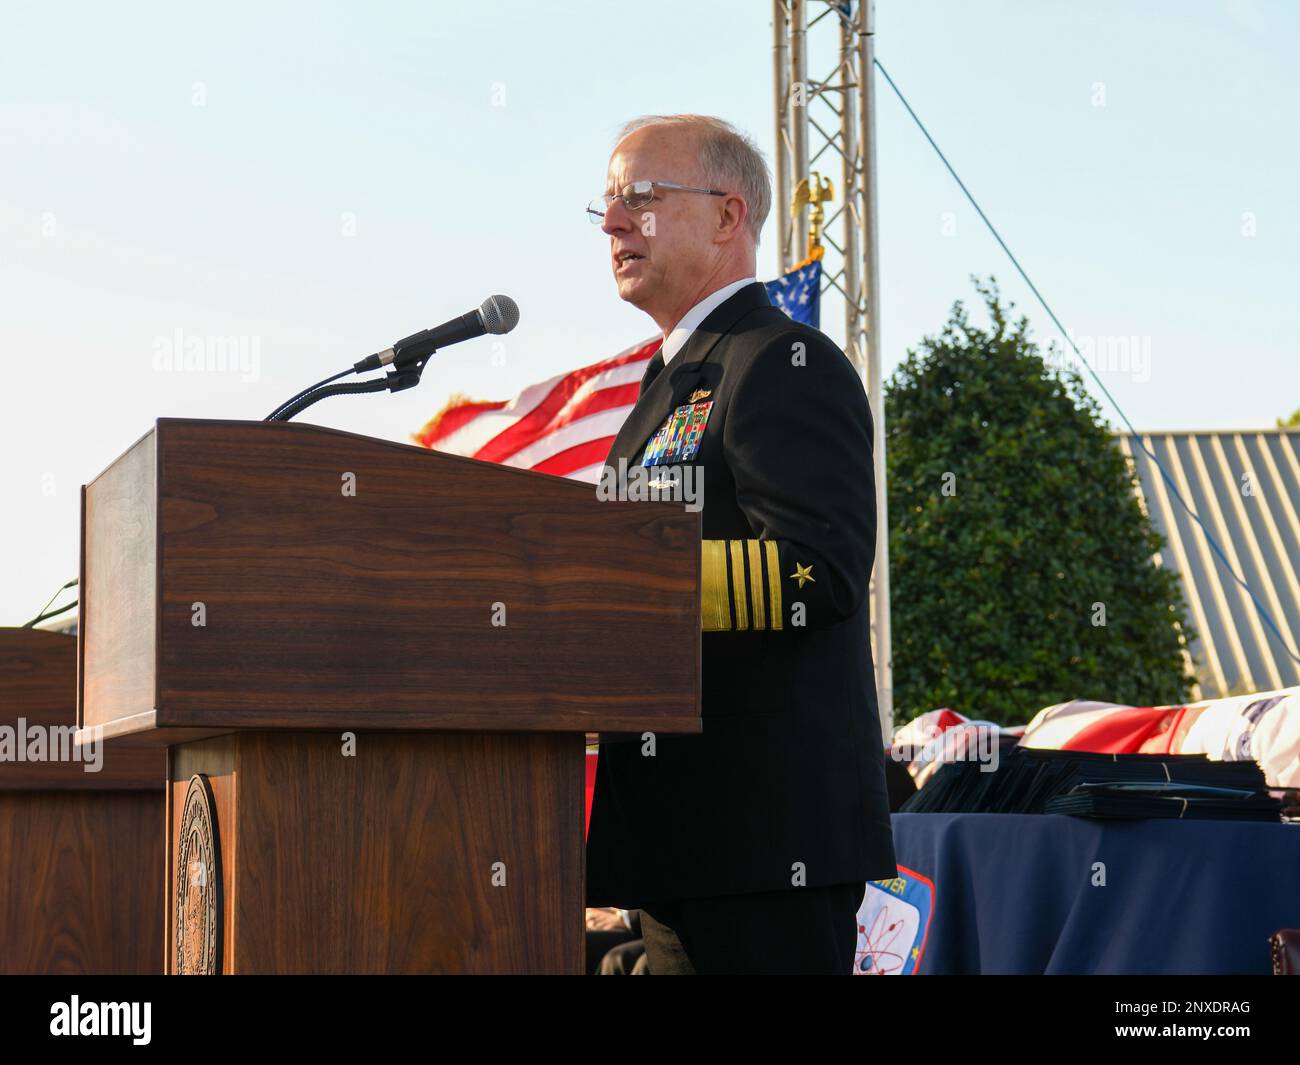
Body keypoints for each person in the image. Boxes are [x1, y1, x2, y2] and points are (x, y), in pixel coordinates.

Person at [584, 114, 897, 975]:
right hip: (677, 843)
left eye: (640, 199)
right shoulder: (674, 382)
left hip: (764, 847)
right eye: (607, 206)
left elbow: (819, 568)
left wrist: (616, 587)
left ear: (728, 216)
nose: (613, 223)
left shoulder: (782, 362)